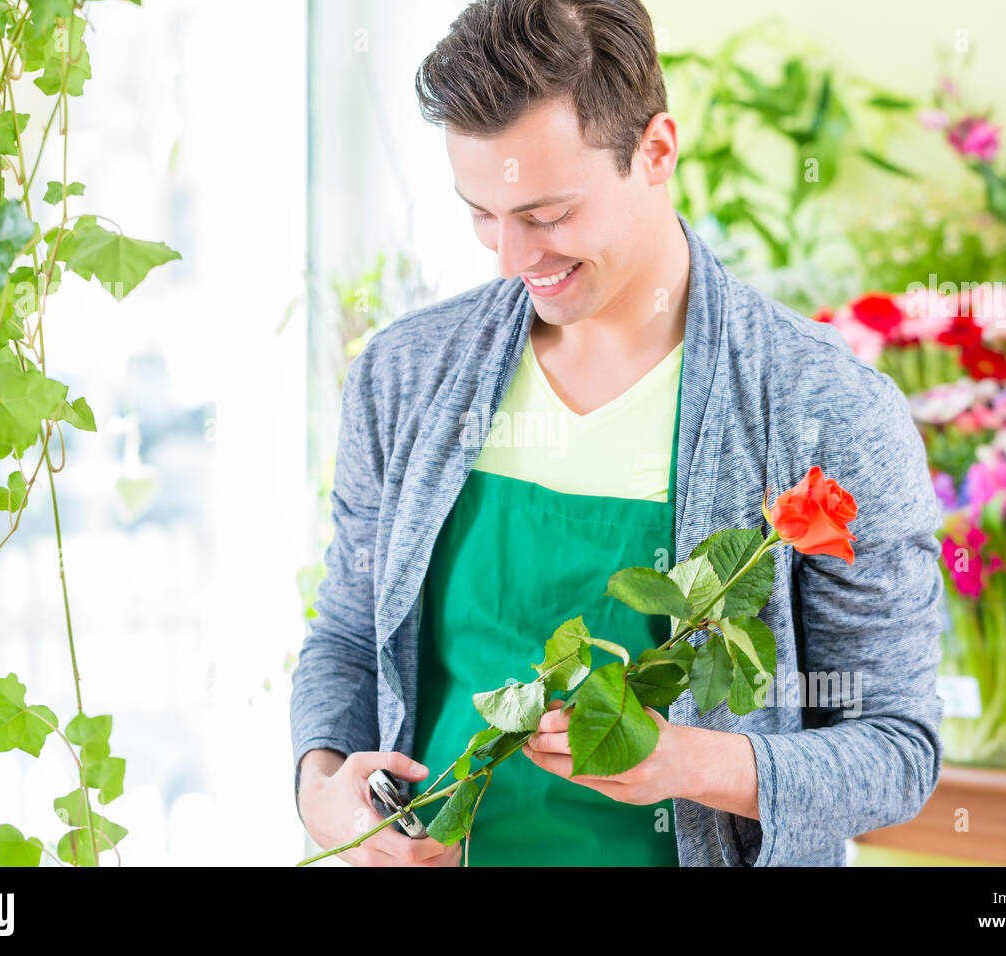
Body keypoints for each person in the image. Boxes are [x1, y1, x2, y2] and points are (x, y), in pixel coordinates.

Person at [290, 0, 945, 867]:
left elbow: (898, 750)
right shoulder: (406, 375)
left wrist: (691, 763)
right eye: (481, 212)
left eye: (549, 214)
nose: (511, 258)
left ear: (656, 151)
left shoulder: (821, 406)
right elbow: (343, 638)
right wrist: (325, 795)